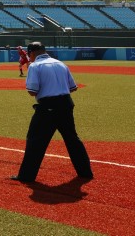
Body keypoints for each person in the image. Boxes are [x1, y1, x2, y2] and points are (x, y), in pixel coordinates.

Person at [12, 42, 93, 183]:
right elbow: (73, 87)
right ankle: (85, 172)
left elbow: (32, 91)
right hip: (66, 105)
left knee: (35, 141)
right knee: (72, 139)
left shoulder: (35, 66)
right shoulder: (61, 64)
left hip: (48, 107)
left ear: (31, 53)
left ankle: (26, 176)